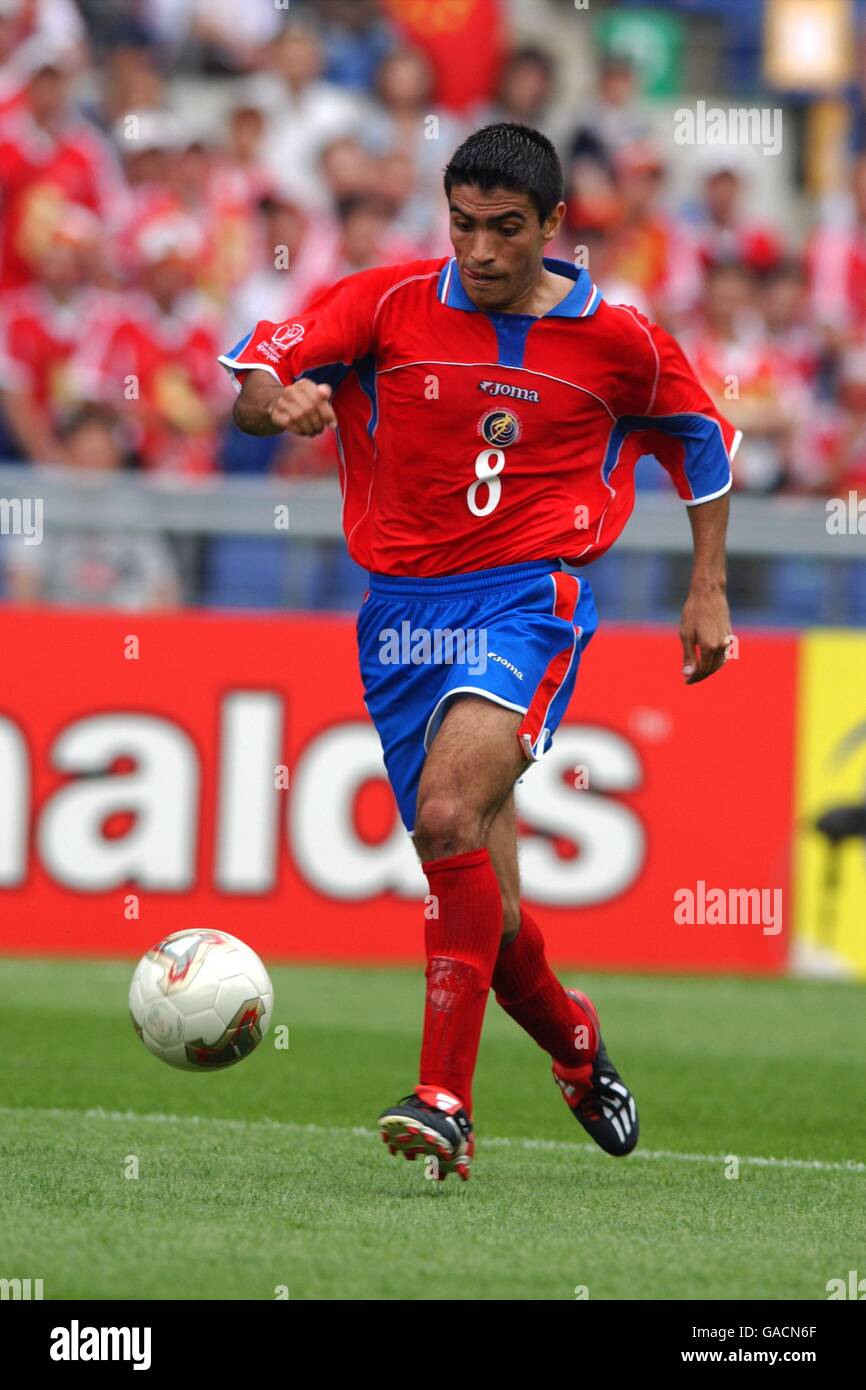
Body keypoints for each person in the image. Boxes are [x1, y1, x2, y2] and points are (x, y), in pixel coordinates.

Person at [220, 123, 739, 1182]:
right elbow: (255, 374)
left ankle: (443, 1100)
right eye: (463, 226)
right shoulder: (384, 304)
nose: (482, 251)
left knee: (447, 813)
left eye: (507, 230)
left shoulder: (621, 340)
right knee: (492, 920)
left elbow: (699, 438)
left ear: (554, 227)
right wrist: (279, 404)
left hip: (526, 601)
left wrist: (706, 582)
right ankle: (576, 1042)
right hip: (400, 622)